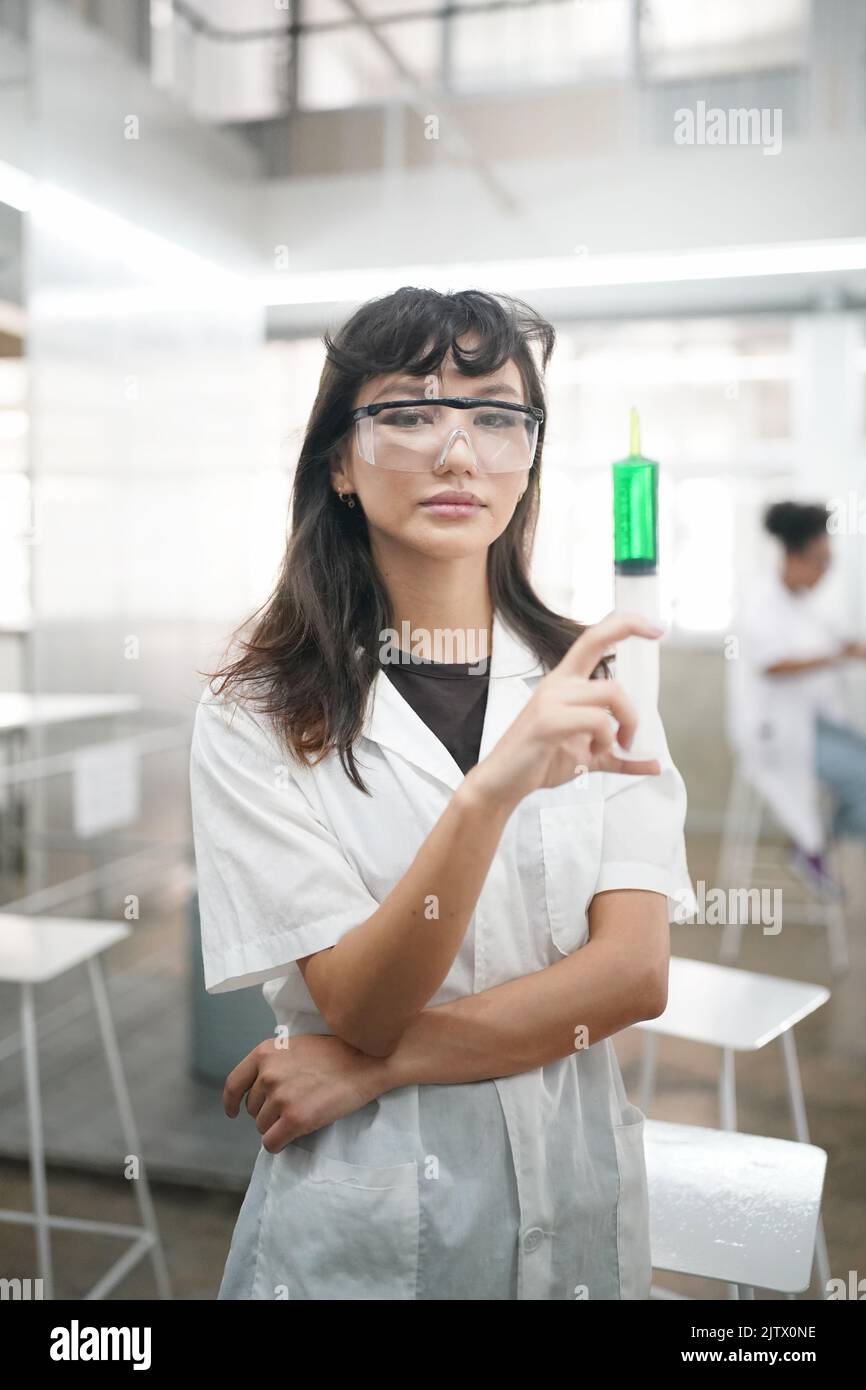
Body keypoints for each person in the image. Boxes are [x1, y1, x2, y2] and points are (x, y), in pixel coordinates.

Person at [188, 286, 693, 1301]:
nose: (456, 453)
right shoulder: (253, 711)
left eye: (495, 416)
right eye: (409, 413)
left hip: (572, 1199)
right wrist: (488, 793)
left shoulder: (598, 679)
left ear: (526, 462)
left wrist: (374, 1066)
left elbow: (630, 978)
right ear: (337, 460)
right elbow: (361, 1002)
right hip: (364, 1237)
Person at [731, 500, 866, 894]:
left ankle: (816, 842)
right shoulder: (762, 600)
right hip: (772, 730)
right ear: (794, 555)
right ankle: (815, 845)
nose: (825, 571)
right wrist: (837, 656)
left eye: (829, 562)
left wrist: (847, 648)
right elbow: (772, 664)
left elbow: (832, 636)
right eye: (819, 561)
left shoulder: (802, 600)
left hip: (809, 721)